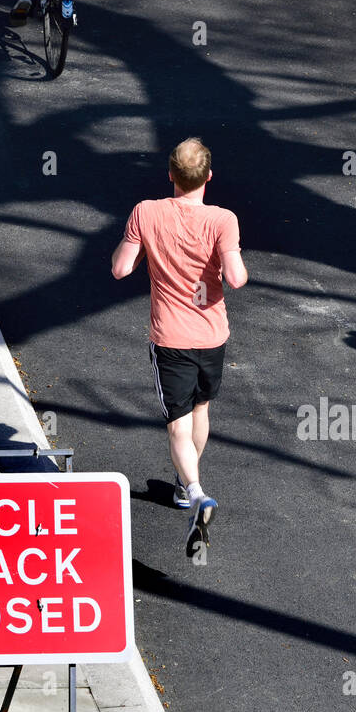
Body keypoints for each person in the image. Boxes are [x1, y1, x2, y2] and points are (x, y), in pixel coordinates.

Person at [111, 138, 248, 556]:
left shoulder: (145, 212)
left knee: (177, 423)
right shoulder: (223, 219)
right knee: (200, 411)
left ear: (170, 174)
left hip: (170, 339)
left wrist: (141, 246)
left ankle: (195, 490)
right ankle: (185, 487)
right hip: (212, 335)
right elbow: (237, 278)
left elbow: (119, 268)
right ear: (208, 177)